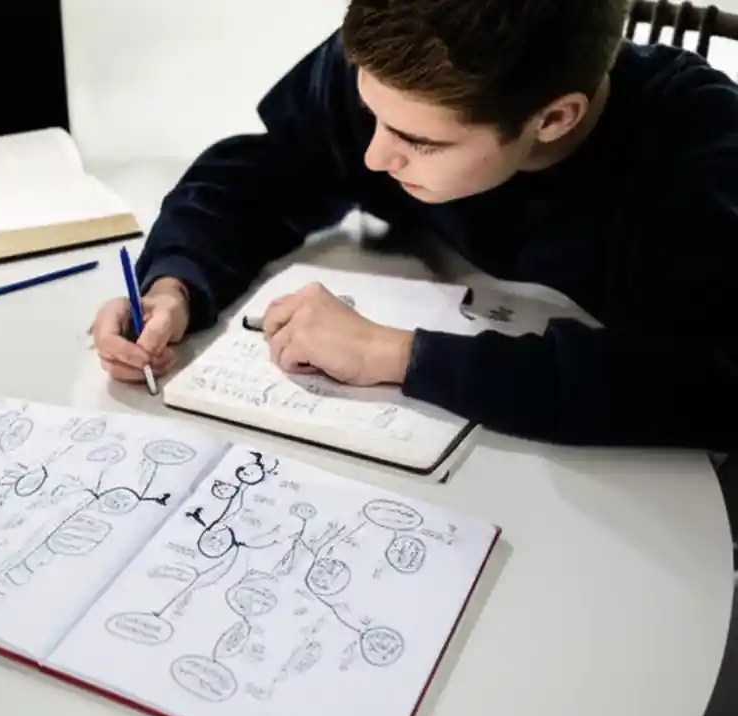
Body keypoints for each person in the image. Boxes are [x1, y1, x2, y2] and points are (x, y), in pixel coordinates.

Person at [91, 0, 738, 450]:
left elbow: (708, 382)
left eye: (419, 143)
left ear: (553, 120)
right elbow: (260, 173)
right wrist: (175, 282)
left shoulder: (698, 161)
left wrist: (394, 353)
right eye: (371, 113)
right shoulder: (400, 71)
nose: (373, 157)